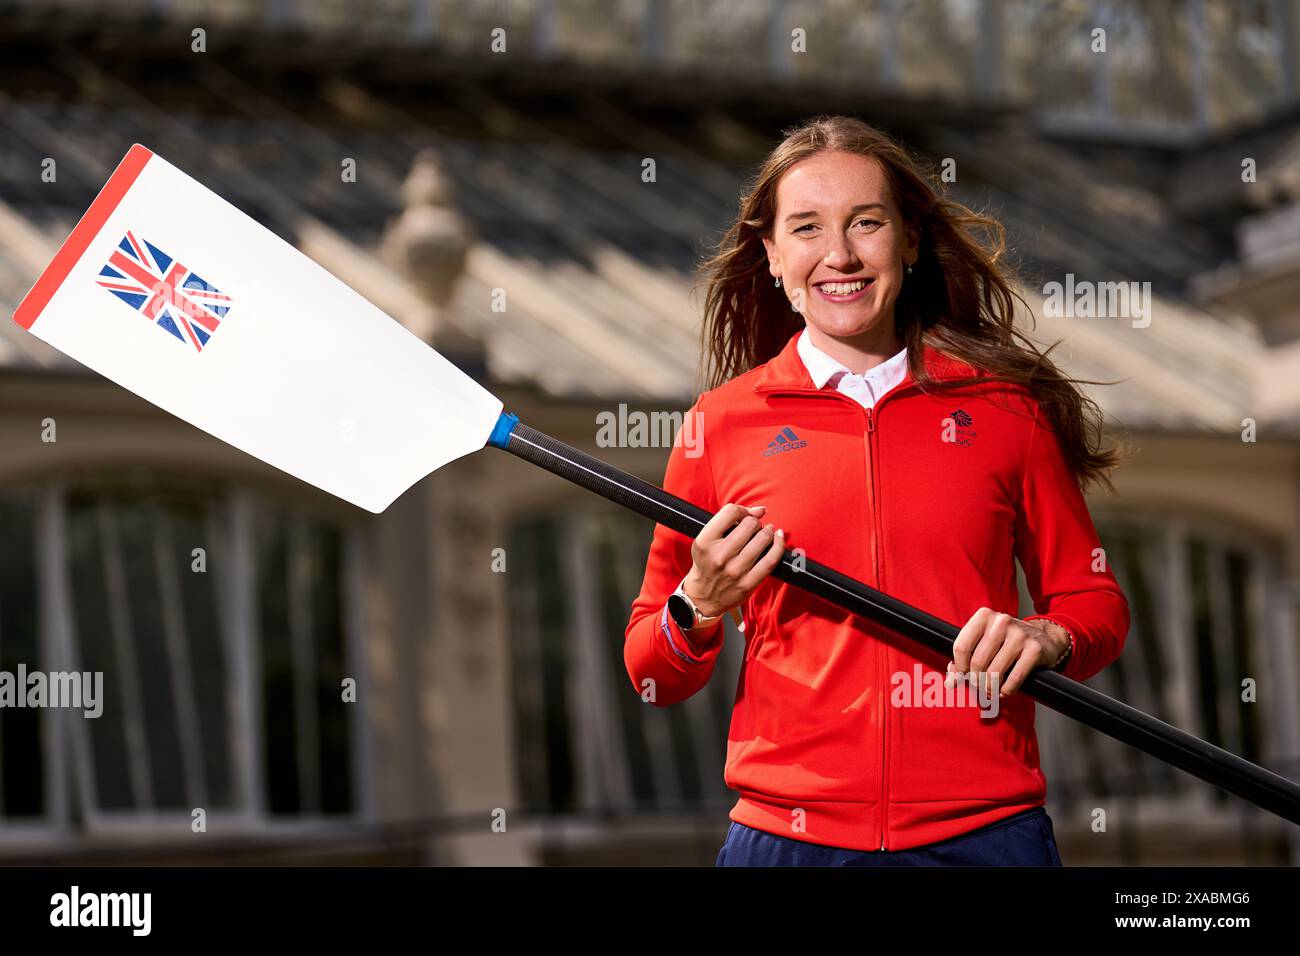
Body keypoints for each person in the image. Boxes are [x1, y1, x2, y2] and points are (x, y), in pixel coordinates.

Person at [623, 115, 1131, 866]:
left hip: (985, 837)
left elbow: (1095, 604)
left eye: (866, 223)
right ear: (770, 256)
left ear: (910, 241)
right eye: (805, 228)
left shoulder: (1006, 411)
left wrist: (1044, 635)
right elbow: (652, 676)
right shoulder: (719, 426)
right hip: (786, 843)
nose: (839, 255)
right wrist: (696, 604)